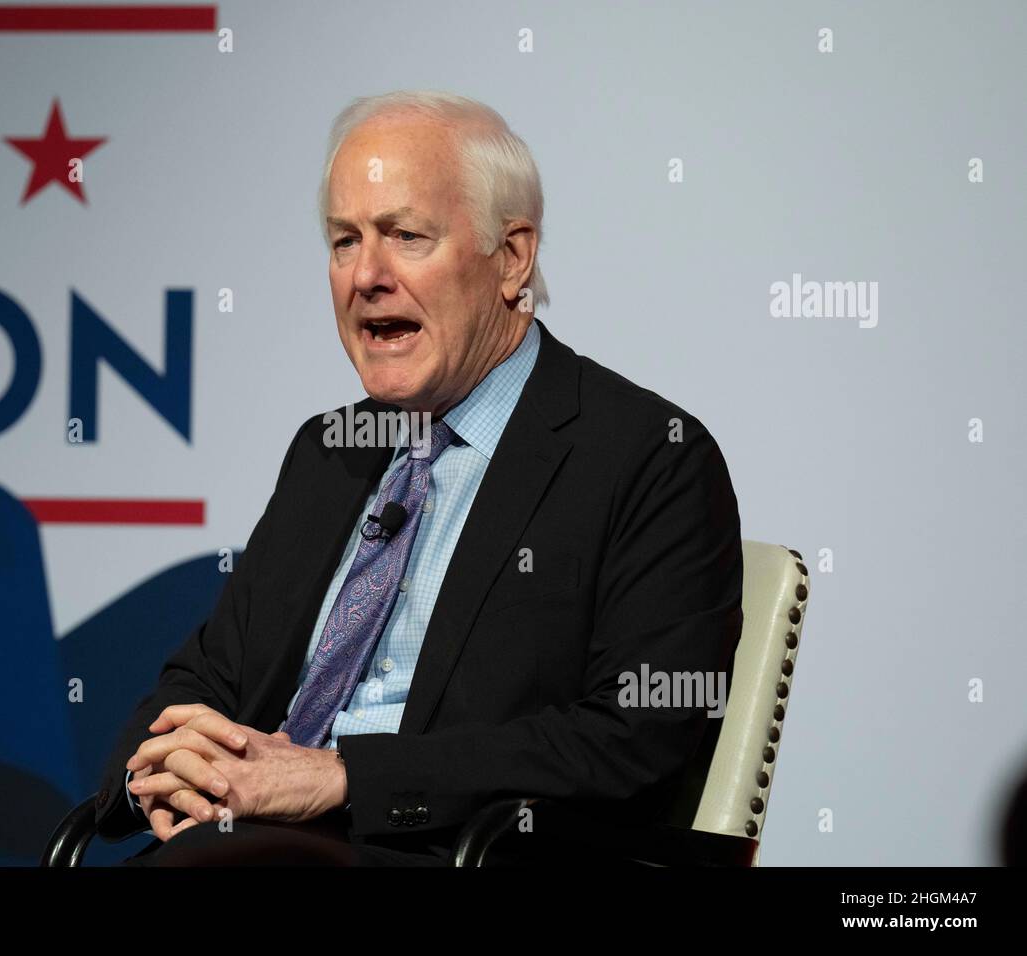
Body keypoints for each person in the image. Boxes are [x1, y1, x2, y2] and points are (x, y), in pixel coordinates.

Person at [98, 90, 744, 866]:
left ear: (512, 258)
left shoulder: (647, 455)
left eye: (405, 235)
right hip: (244, 849)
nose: (366, 275)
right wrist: (161, 770)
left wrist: (344, 778)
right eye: (344, 241)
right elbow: (205, 676)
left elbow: (636, 735)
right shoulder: (328, 451)